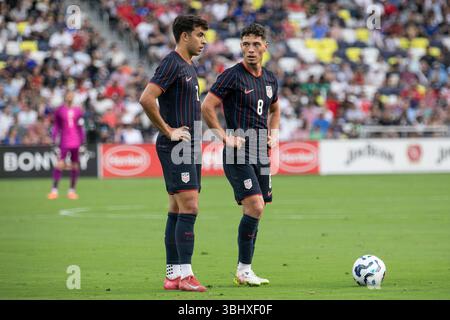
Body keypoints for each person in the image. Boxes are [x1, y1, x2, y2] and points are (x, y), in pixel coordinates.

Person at [201, 23, 280, 286]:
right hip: (238, 153)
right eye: (246, 44)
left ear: (265, 46)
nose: (250, 49)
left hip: (262, 151)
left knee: (258, 210)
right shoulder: (231, 76)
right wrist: (223, 136)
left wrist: (274, 132)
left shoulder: (270, 79)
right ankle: (243, 270)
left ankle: (246, 270)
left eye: (256, 44)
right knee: (255, 206)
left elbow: (275, 108)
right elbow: (207, 106)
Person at [139, 15, 208, 292]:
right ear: (184, 36)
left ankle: (172, 275)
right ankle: (186, 274)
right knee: (190, 206)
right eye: (200, 35)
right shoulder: (172, 63)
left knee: (177, 209)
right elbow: (146, 98)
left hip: (190, 146)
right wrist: (168, 131)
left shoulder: (189, 66)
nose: (204, 41)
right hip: (177, 146)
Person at [47, 92, 86, 200]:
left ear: (73, 97)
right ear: (65, 96)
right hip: (64, 140)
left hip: (76, 141)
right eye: (68, 95)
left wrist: (83, 142)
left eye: (71, 95)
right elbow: (56, 126)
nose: (70, 97)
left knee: (75, 165)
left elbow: (81, 127)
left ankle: (72, 191)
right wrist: (54, 140)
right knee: (59, 164)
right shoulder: (59, 110)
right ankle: (54, 191)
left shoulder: (78, 110)